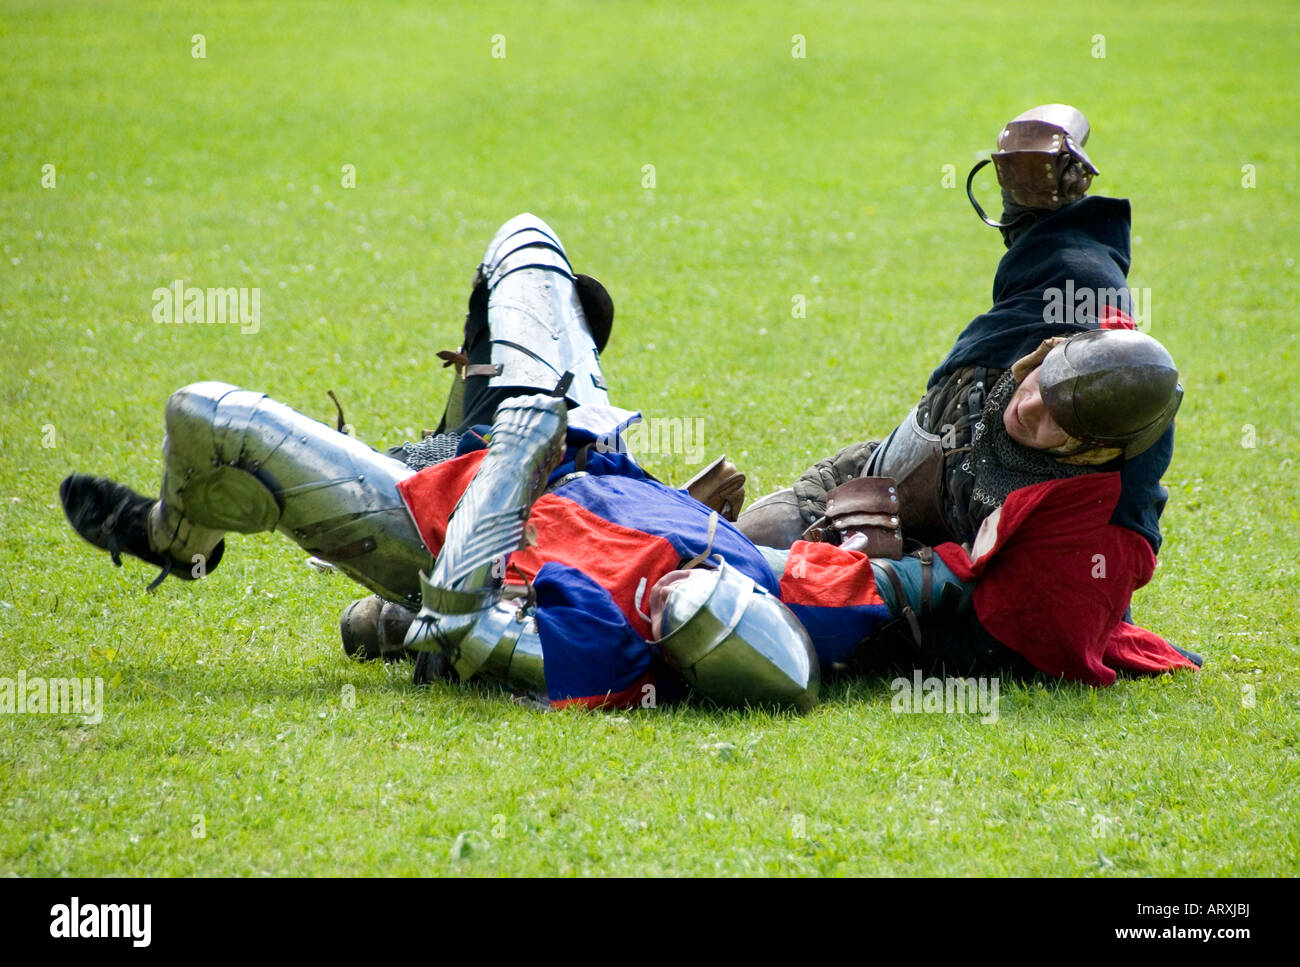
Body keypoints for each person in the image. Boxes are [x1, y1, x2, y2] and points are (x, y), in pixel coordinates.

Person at [734, 103, 1202, 685]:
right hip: (879, 483)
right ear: (1049, 348)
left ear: (1090, 452)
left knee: (753, 590)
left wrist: (889, 582)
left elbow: (1003, 628)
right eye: (1038, 381)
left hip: (936, 569)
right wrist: (1037, 194)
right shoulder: (1074, 313)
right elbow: (1072, 282)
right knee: (746, 541)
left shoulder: (1091, 528)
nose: (1028, 406)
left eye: (1057, 421)